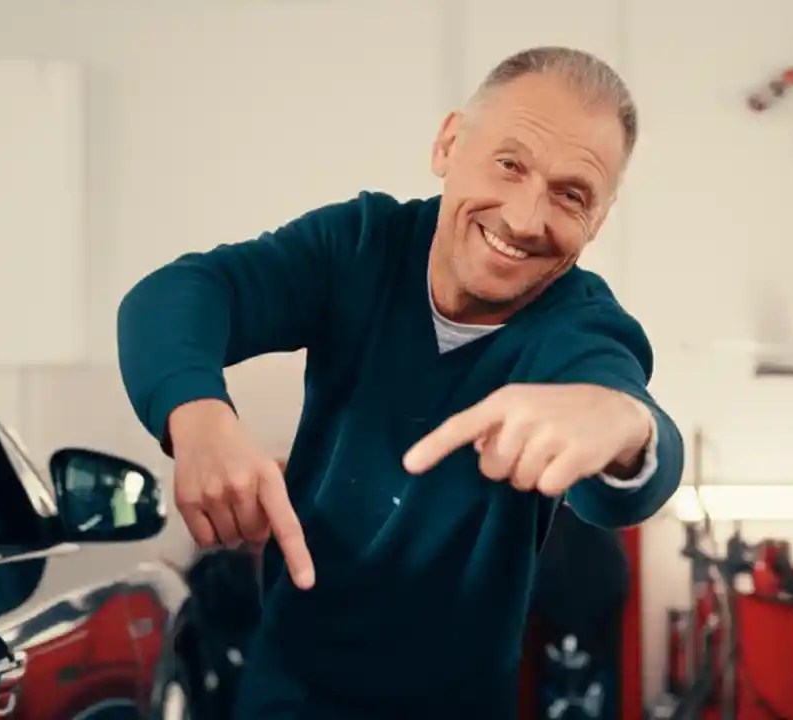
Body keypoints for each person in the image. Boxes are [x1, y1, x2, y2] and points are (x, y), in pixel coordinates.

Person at [117, 46, 684, 719]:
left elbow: (637, 443)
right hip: (290, 685)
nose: (527, 219)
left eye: (571, 195)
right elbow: (180, 294)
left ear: (600, 218)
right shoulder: (361, 246)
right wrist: (200, 418)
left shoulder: (580, 326)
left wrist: (623, 425)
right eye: (510, 164)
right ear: (449, 144)